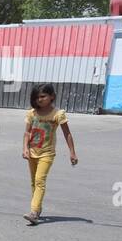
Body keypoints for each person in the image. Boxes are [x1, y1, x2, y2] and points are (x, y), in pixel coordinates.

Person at [22, 83, 78, 226]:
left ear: (52, 96)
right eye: (36, 97)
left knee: (40, 180)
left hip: (47, 153)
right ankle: (38, 208)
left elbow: (67, 133)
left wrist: (72, 152)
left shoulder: (58, 114)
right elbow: (27, 132)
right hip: (32, 152)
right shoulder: (31, 113)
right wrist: (25, 148)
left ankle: (33, 212)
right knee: (34, 182)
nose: (39, 99)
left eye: (43, 96)